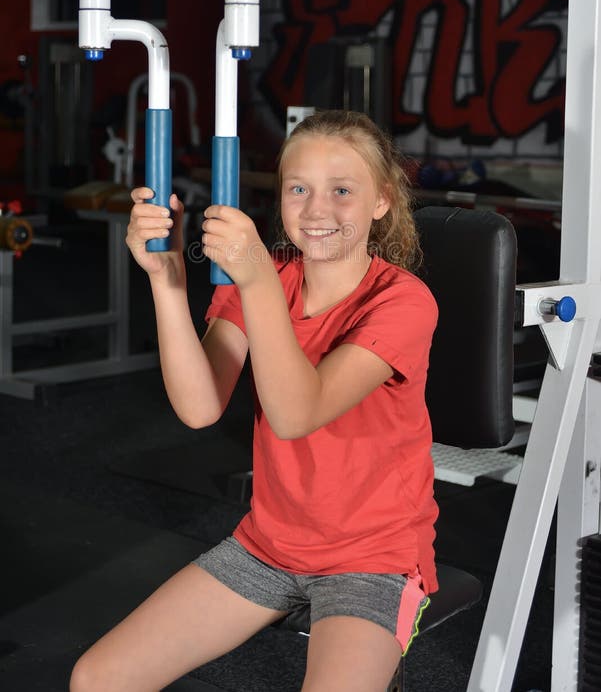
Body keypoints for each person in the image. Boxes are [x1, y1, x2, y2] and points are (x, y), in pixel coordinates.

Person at [70, 109, 439, 692]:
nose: (318, 210)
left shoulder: (403, 302)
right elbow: (199, 406)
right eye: (299, 189)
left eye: (342, 190)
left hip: (372, 560)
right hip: (268, 546)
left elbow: (297, 413)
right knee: (98, 679)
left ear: (382, 200)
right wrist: (167, 280)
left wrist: (257, 277)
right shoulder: (270, 282)